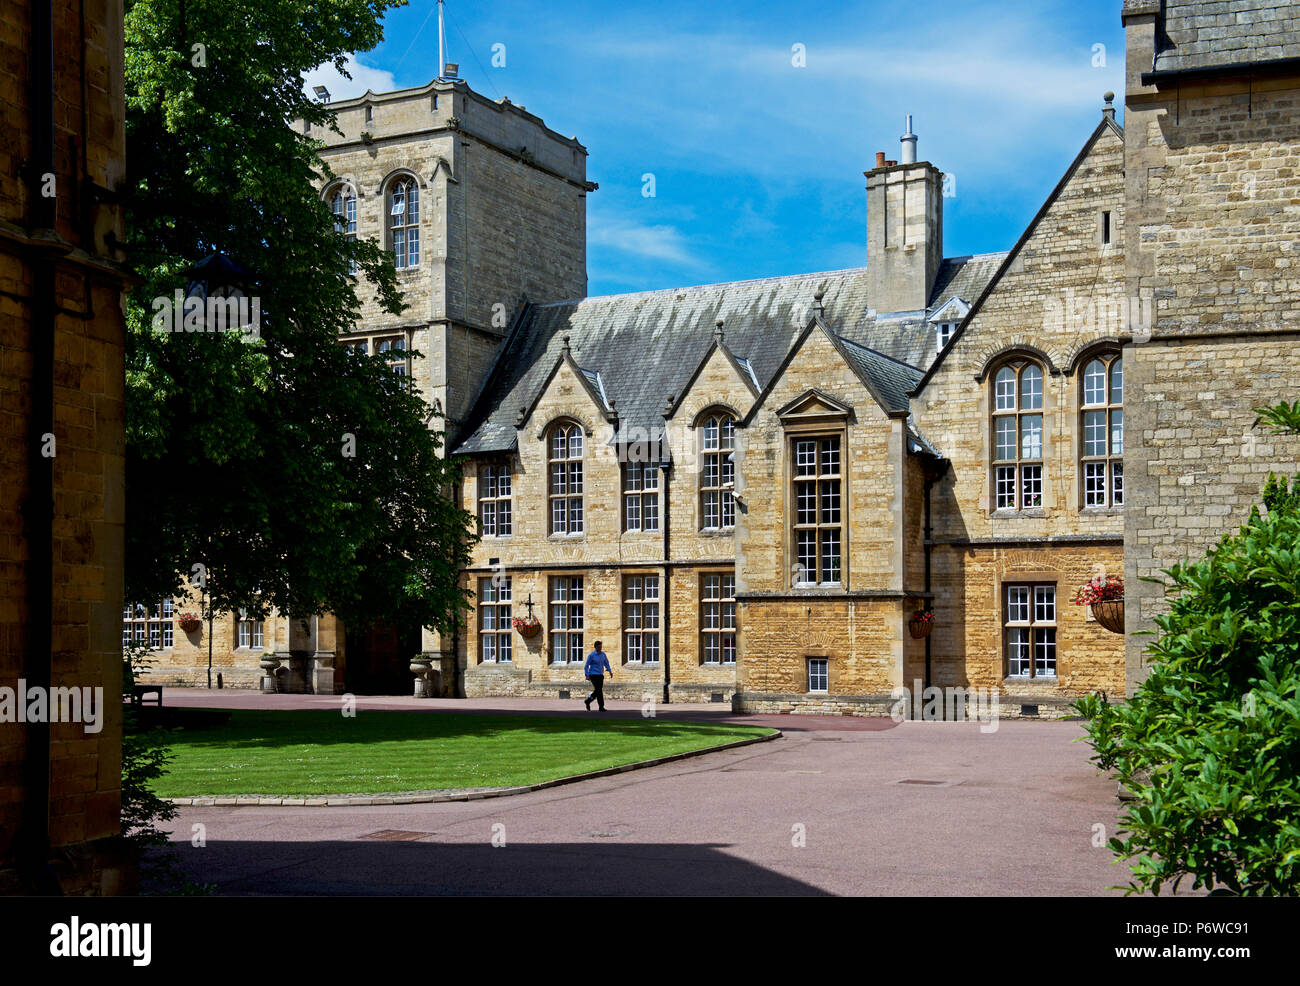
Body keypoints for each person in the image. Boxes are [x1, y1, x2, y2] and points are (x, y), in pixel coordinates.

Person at [584, 641, 612, 711]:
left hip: (600, 675)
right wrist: (587, 675)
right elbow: (586, 666)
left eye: (601, 647)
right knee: (599, 690)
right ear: (595, 647)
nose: (600, 648)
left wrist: (610, 671)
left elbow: (606, 663)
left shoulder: (603, 654)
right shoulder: (591, 655)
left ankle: (588, 701)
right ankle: (601, 707)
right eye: (599, 647)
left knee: (598, 691)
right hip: (593, 675)